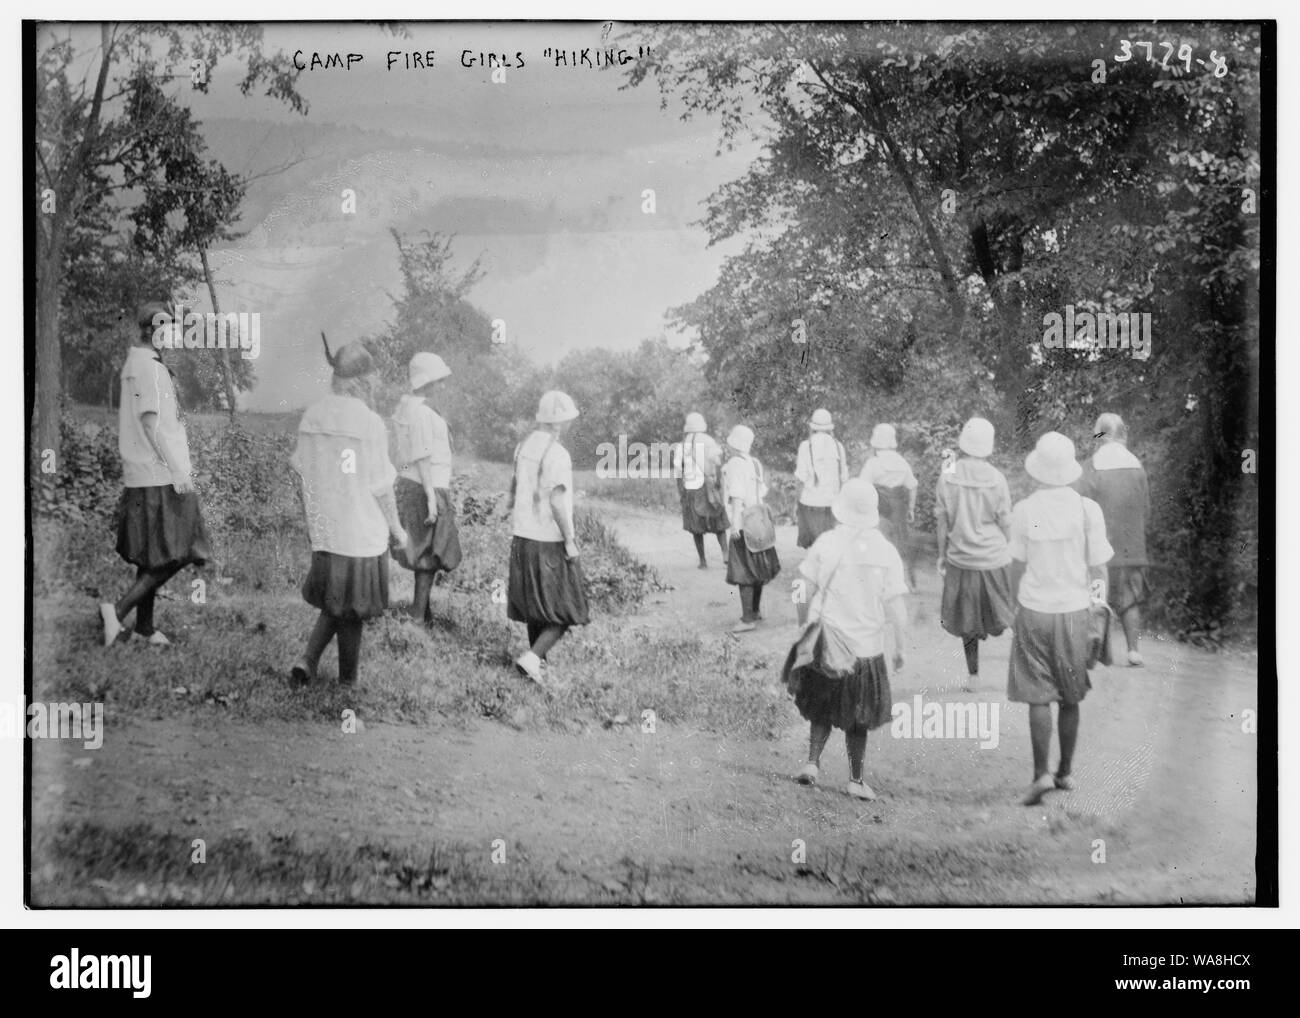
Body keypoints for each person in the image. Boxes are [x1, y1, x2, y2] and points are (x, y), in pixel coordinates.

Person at [288, 337, 406, 688]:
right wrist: (397, 529)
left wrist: (312, 516)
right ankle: (347, 681)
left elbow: (301, 471)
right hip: (360, 531)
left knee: (338, 600)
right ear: (362, 381)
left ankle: (308, 660)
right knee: (352, 608)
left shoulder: (313, 416)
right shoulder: (370, 422)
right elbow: (381, 486)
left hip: (326, 527)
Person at [782, 479, 908, 800]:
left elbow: (802, 588)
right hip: (866, 649)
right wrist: (900, 647)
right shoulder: (886, 551)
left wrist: (804, 623)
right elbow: (896, 606)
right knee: (858, 717)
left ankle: (812, 763)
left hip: (826, 642)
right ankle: (855, 780)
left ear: (840, 509)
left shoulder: (826, 542)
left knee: (821, 707)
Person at [1007, 431, 1113, 806]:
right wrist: (1097, 608)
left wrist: (1015, 603)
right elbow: (1099, 568)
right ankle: (1065, 772)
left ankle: (1041, 774)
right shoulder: (1087, 510)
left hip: (1034, 610)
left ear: (1038, 469)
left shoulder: (1024, 510)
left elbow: (1016, 566)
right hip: (1074, 612)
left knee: (1038, 695)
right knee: (1070, 696)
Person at [100, 303, 212, 648]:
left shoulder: (135, 364)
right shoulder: (150, 369)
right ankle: (117, 611)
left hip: (143, 473)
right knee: (185, 547)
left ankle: (145, 628)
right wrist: (176, 469)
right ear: (155, 331)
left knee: (155, 554)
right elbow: (151, 425)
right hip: (160, 473)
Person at [507, 390, 591, 689]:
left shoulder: (523, 447)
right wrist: (569, 539)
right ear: (558, 421)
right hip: (548, 540)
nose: (568, 424)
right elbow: (557, 501)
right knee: (567, 608)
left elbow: (514, 487)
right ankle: (532, 658)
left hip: (522, 537)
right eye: (566, 419)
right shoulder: (558, 454)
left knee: (536, 607)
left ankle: (536, 666)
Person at [935, 417, 1016, 690]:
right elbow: (1005, 520)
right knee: (1008, 613)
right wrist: (1011, 547)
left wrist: (941, 555)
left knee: (968, 621)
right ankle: (1023, 668)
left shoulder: (948, 475)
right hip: (994, 558)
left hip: (961, 559)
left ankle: (973, 676)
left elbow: (942, 521)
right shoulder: (997, 478)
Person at [390, 352, 463, 623]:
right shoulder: (421, 412)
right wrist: (431, 498)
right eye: (438, 380)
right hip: (426, 485)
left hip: (417, 483)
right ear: (426, 381)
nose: (442, 386)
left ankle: (423, 611)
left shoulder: (409, 408)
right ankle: (418, 616)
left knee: (426, 548)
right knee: (429, 552)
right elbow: (422, 455)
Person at [1076, 413, 1151, 666]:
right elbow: (1146, 508)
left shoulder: (1092, 466)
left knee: (1097, 595)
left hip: (1101, 547)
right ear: (1122, 435)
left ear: (1099, 436)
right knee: (1130, 598)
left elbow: (1082, 507)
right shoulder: (1137, 466)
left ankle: (1095, 650)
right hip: (1132, 547)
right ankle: (1133, 651)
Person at [721, 424, 781, 632]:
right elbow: (761, 491)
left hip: (744, 521)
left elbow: (736, 497)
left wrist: (734, 526)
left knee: (743, 571)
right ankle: (755, 610)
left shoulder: (734, 464)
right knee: (757, 568)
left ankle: (747, 619)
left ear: (733, 444)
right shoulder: (755, 463)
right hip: (759, 519)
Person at [860, 423, 918, 586]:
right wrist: (911, 508)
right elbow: (913, 485)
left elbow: (862, 487)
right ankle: (907, 580)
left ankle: (877, 579)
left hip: (879, 507)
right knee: (900, 541)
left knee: (876, 540)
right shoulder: (902, 462)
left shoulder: (873, 463)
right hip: (898, 507)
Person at [670, 412, 727, 568]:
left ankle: (703, 561)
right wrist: (718, 482)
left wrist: (681, 490)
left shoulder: (682, 445)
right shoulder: (709, 440)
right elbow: (718, 462)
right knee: (718, 520)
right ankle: (725, 553)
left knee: (695, 526)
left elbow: (678, 471)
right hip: (709, 485)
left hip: (691, 488)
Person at [794, 408, 849, 549]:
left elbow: (800, 478)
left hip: (810, 503)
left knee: (814, 546)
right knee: (831, 544)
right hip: (832, 504)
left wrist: (797, 501)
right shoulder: (838, 446)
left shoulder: (806, 446)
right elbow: (844, 478)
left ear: (812, 427)